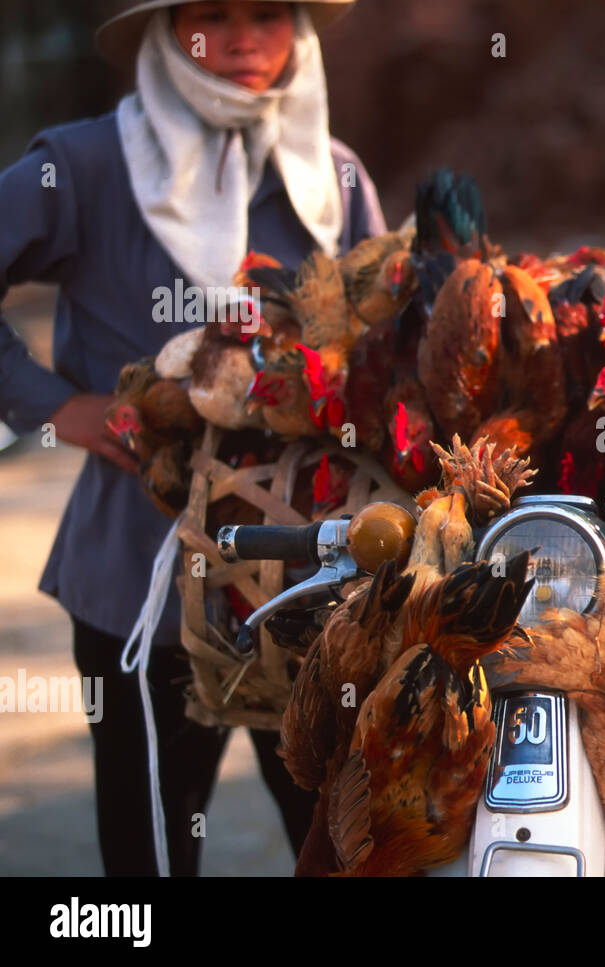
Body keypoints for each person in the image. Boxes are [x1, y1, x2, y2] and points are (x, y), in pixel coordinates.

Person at [0, 0, 384, 875]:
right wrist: (58, 407)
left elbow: (376, 351)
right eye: (211, 14)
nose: (243, 38)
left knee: (343, 851)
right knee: (150, 861)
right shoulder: (85, 166)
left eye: (268, 13)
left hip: (308, 592)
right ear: (167, 33)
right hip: (144, 588)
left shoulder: (337, 180)